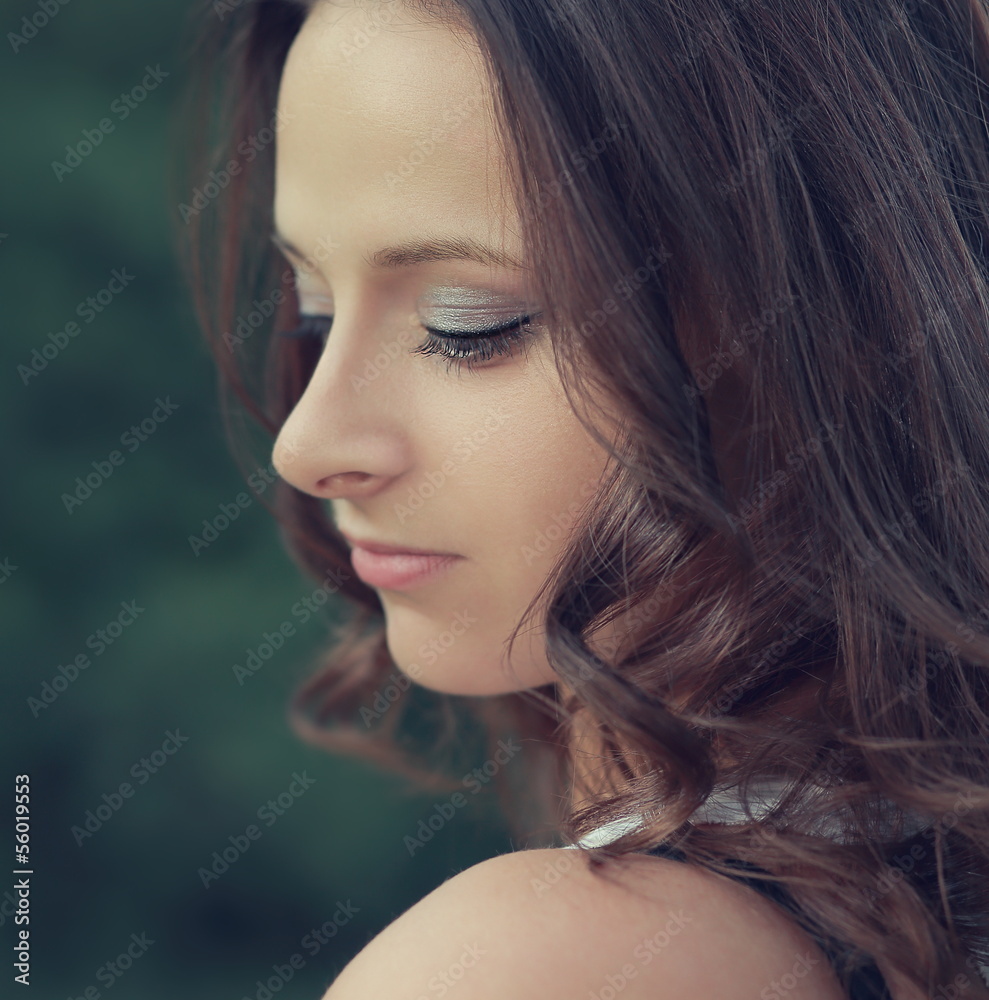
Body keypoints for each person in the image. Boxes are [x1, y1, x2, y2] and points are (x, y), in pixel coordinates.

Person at [174, 0, 989, 997]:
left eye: (467, 323)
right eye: (311, 305)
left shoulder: (545, 965)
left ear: (833, 325)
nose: (305, 444)